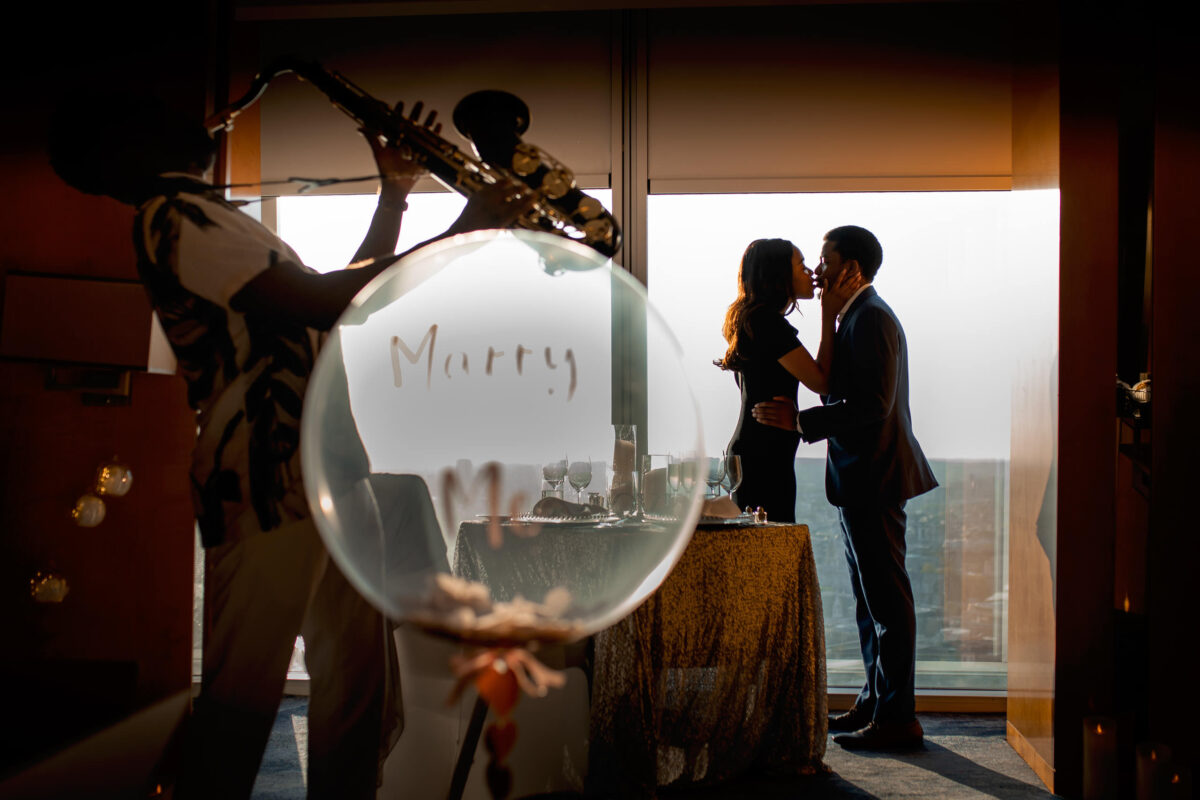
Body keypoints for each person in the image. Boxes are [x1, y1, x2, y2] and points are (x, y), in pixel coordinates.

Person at [47, 91, 534, 799]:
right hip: (267, 478)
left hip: (328, 473)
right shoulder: (172, 214)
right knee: (245, 707)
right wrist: (468, 227)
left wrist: (395, 197)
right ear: (117, 148)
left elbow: (336, 300)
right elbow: (318, 300)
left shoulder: (202, 216)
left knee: (355, 698)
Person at [753, 225, 937, 751]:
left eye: (825, 259)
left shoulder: (872, 318)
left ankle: (898, 718)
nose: (817, 270)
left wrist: (801, 423)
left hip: (875, 478)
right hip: (861, 478)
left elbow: (874, 406)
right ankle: (876, 701)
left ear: (850, 266)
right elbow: (848, 390)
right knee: (869, 600)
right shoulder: (855, 315)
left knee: (886, 601)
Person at [714, 237, 857, 522]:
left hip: (758, 451)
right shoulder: (767, 323)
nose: (811, 274)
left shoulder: (754, 320)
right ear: (779, 275)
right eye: (802, 266)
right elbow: (822, 382)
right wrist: (828, 315)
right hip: (763, 456)